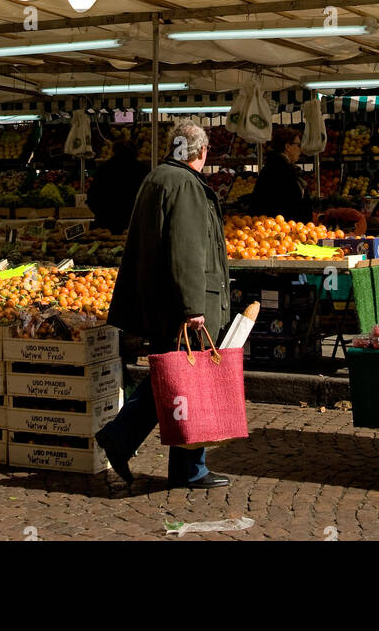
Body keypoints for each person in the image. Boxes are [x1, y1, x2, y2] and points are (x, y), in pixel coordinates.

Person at [96, 120, 232, 490]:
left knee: (170, 381)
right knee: (185, 382)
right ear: (201, 152)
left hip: (157, 302)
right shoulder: (186, 185)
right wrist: (192, 307)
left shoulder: (157, 178)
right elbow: (186, 251)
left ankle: (138, 446)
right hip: (181, 305)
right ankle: (186, 466)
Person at [86, 139, 149, 235]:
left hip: (106, 226)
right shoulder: (143, 171)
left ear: (114, 151)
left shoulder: (104, 169)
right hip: (134, 226)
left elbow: (92, 198)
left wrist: (103, 213)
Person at [249, 126, 311, 222]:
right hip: (284, 227)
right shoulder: (284, 170)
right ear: (287, 147)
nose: (300, 150)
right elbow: (291, 203)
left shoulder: (272, 167)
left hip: (276, 225)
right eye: (298, 145)